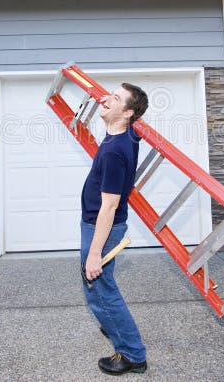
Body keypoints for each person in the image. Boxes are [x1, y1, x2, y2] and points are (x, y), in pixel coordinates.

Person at [80, 82, 149, 376]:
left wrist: (94, 254)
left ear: (128, 112)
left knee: (99, 290)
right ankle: (114, 325)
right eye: (110, 94)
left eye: (115, 98)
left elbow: (109, 206)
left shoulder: (114, 151)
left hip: (101, 228)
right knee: (102, 288)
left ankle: (133, 354)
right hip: (102, 225)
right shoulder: (125, 136)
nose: (105, 99)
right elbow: (131, 130)